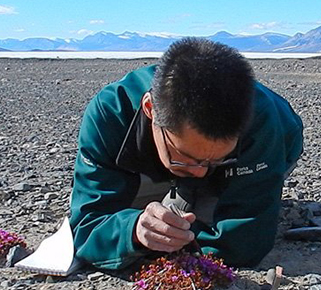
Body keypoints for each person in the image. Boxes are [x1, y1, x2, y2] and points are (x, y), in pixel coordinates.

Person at [68, 37, 304, 271]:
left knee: (212, 204)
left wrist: (185, 244)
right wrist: (134, 230)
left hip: (281, 140)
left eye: (218, 159)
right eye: (183, 157)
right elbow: (86, 224)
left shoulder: (262, 121)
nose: (200, 172)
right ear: (150, 110)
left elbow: (244, 241)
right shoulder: (110, 113)